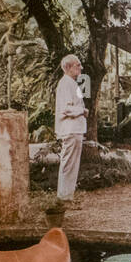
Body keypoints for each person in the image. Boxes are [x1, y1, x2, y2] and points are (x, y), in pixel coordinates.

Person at [55, 53, 88, 200]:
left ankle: (68, 195)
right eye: (78, 65)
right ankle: (64, 196)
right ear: (68, 67)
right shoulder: (65, 84)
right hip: (70, 129)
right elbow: (66, 108)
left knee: (72, 165)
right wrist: (82, 111)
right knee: (68, 164)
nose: (81, 67)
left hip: (75, 129)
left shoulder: (71, 83)